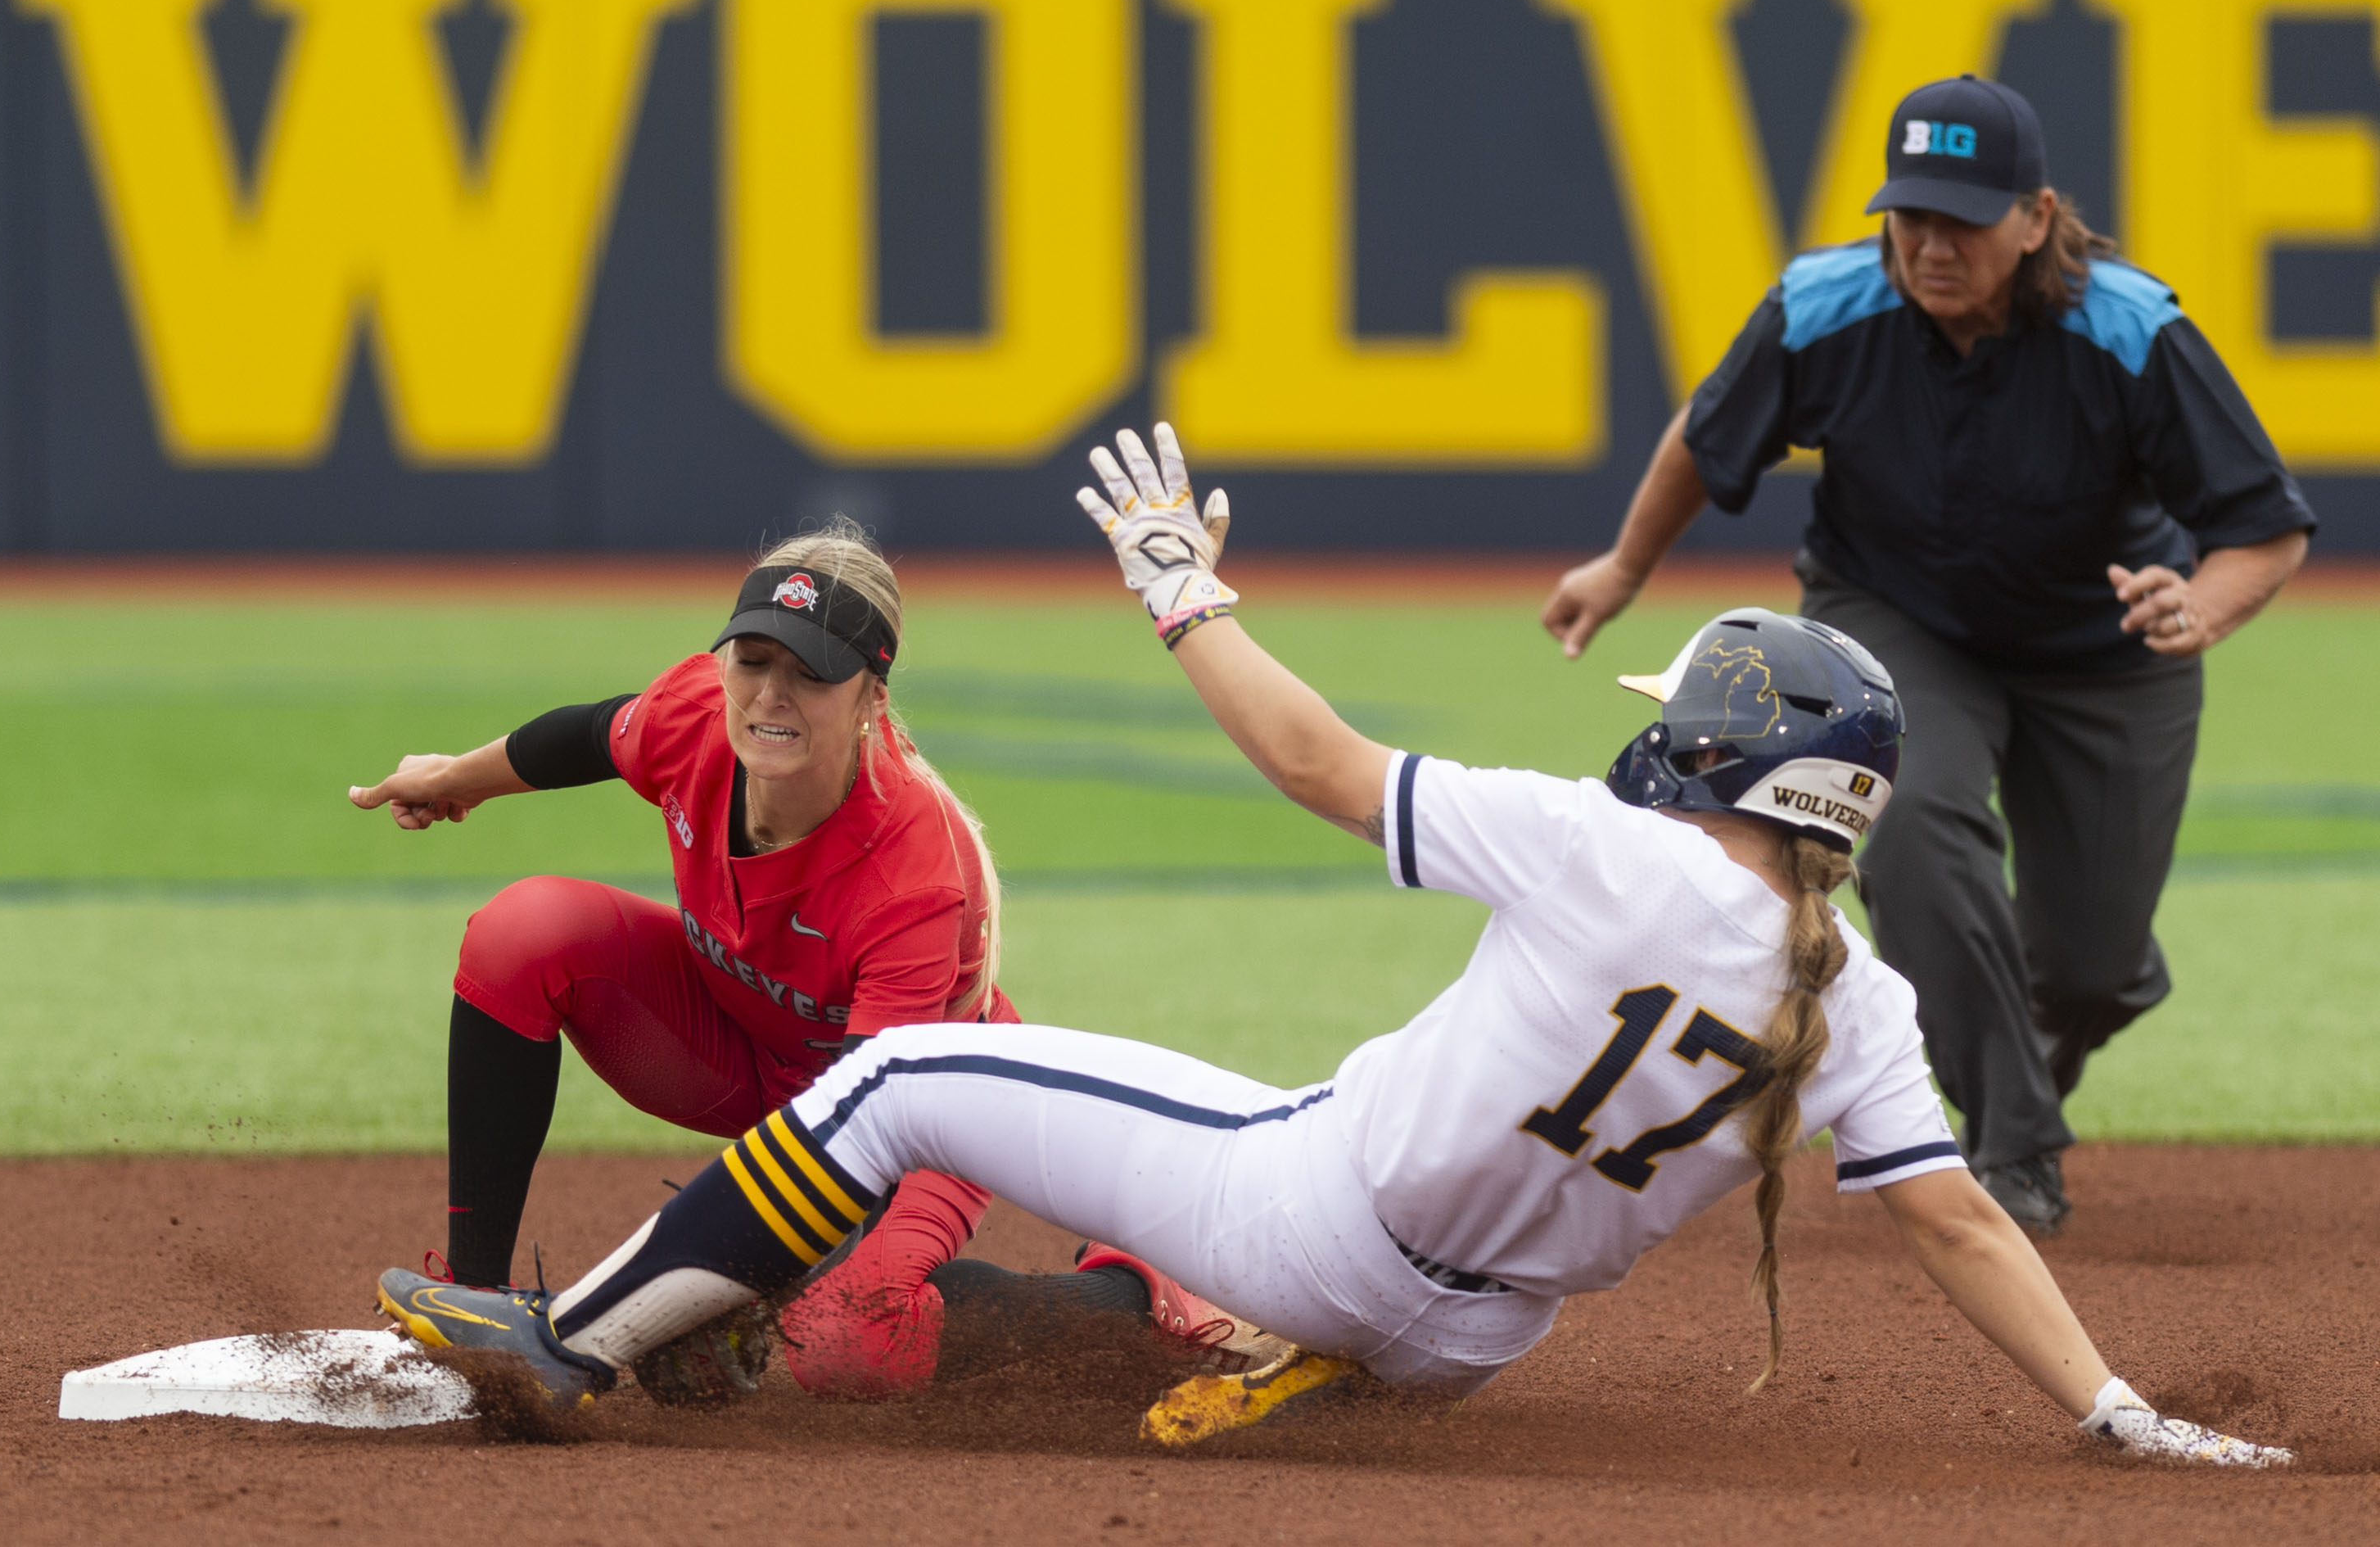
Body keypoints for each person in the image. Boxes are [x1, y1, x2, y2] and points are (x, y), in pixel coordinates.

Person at [380, 428, 2285, 1467]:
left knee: (886, 1080)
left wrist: (1181, 595)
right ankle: (1212, 1327)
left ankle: (572, 1347)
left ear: (1726, 749)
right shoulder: (1853, 997)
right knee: (1266, 1177)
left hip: (1307, 1215)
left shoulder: (1604, 846)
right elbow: (1954, 1220)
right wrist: (2112, 1410)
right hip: (1466, 1343)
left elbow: (1310, 760)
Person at [1540, 75, 2316, 1236]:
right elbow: (1707, 439)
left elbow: (2267, 523)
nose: (1928, 241)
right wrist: (1624, 568)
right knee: (1914, 829)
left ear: (2036, 217)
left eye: (1961, 216)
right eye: (1910, 213)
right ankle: (2013, 1147)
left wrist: (2199, 607)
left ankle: (2040, 1042)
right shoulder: (1825, 306)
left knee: (2093, 966)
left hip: (2107, 642)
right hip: (1898, 618)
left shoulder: (2130, 328)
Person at [352, 522, 1263, 1402]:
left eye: (811, 673)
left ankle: (1134, 1295)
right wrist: (450, 779)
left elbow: (865, 1131)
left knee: (849, 1342)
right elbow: (585, 737)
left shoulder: (912, 876)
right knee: (522, 934)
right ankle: (474, 1301)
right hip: (750, 1045)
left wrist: (735, 1289)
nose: (768, 697)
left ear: (872, 696)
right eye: (753, 661)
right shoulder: (696, 718)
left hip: (925, 1118)